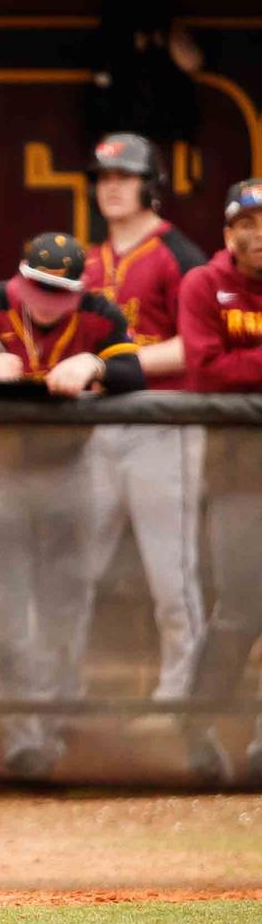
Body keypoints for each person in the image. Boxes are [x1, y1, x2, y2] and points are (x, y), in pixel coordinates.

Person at [0, 233, 145, 778]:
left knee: (67, 601)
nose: (45, 299)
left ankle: (58, 726)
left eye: (58, 290)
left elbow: (134, 373)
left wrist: (94, 364)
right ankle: (23, 735)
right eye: (36, 285)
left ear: (78, 291)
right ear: (19, 278)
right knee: (5, 611)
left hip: (70, 470)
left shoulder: (99, 316)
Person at [79, 133, 209, 705]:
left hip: (164, 424)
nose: (112, 187)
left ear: (149, 185)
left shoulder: (178, 255)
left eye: (124, 177)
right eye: (104, 177)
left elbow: (195, 347)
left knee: (171, 578)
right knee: (75, 571)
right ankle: (63, 694)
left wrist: (111, 365)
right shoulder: (86, 262)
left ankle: (183, 700)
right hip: (93, 429)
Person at [176, 178, 262, 783]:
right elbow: (205, 369)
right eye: (247, 226)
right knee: (240, 607)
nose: (258, 237)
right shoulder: (204, 284)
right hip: (237, 471)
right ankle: (196, 720)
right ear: (228, 233)